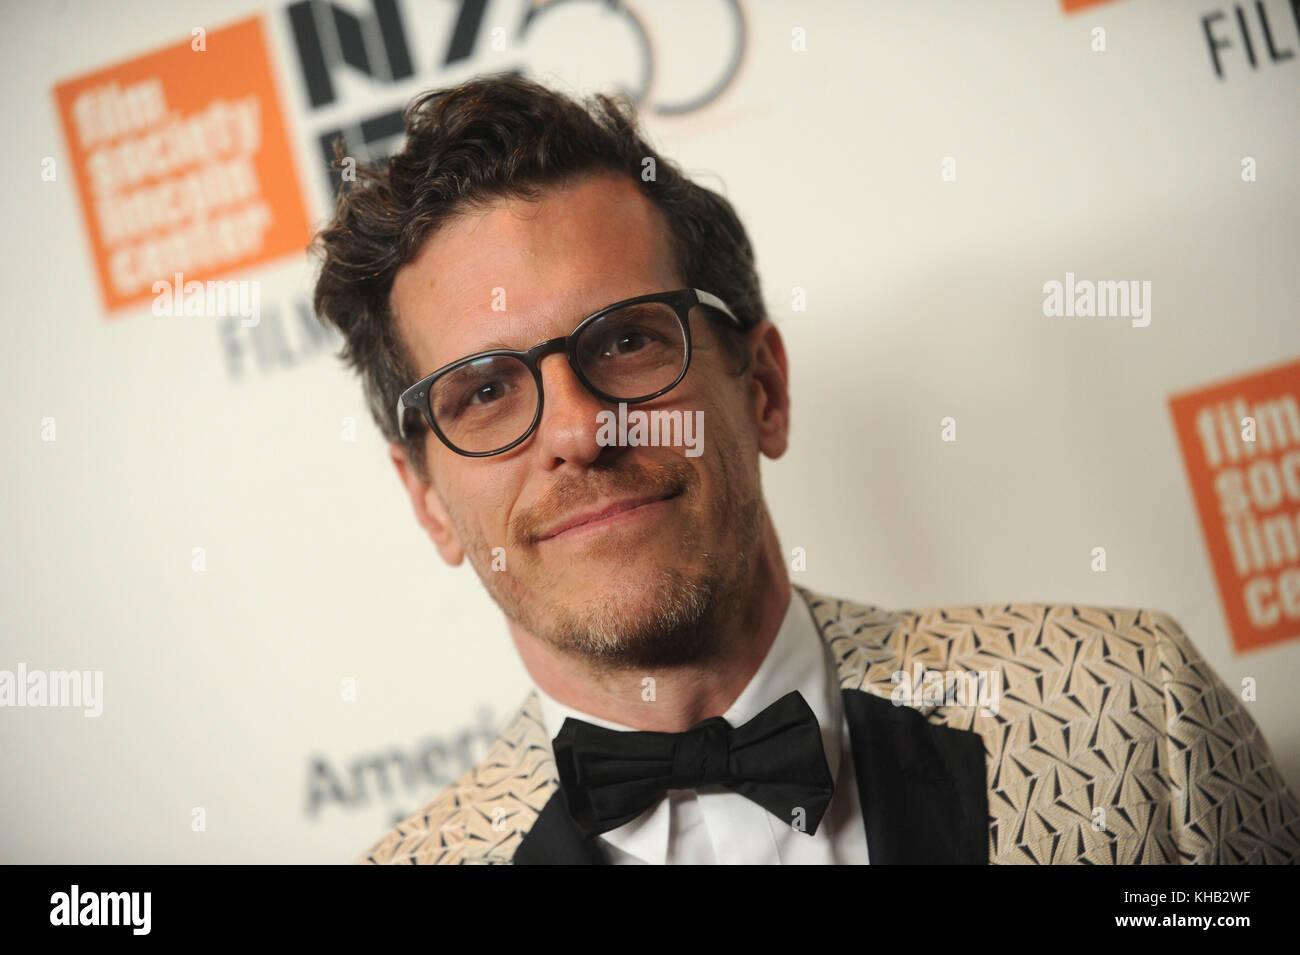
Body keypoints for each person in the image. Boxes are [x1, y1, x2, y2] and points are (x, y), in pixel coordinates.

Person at [310, 74, 1300, 865]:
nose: (577, 429)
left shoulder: (1127, 712)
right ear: (428, 502)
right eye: (482, 392)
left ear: (764, 388)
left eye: (627, 342)